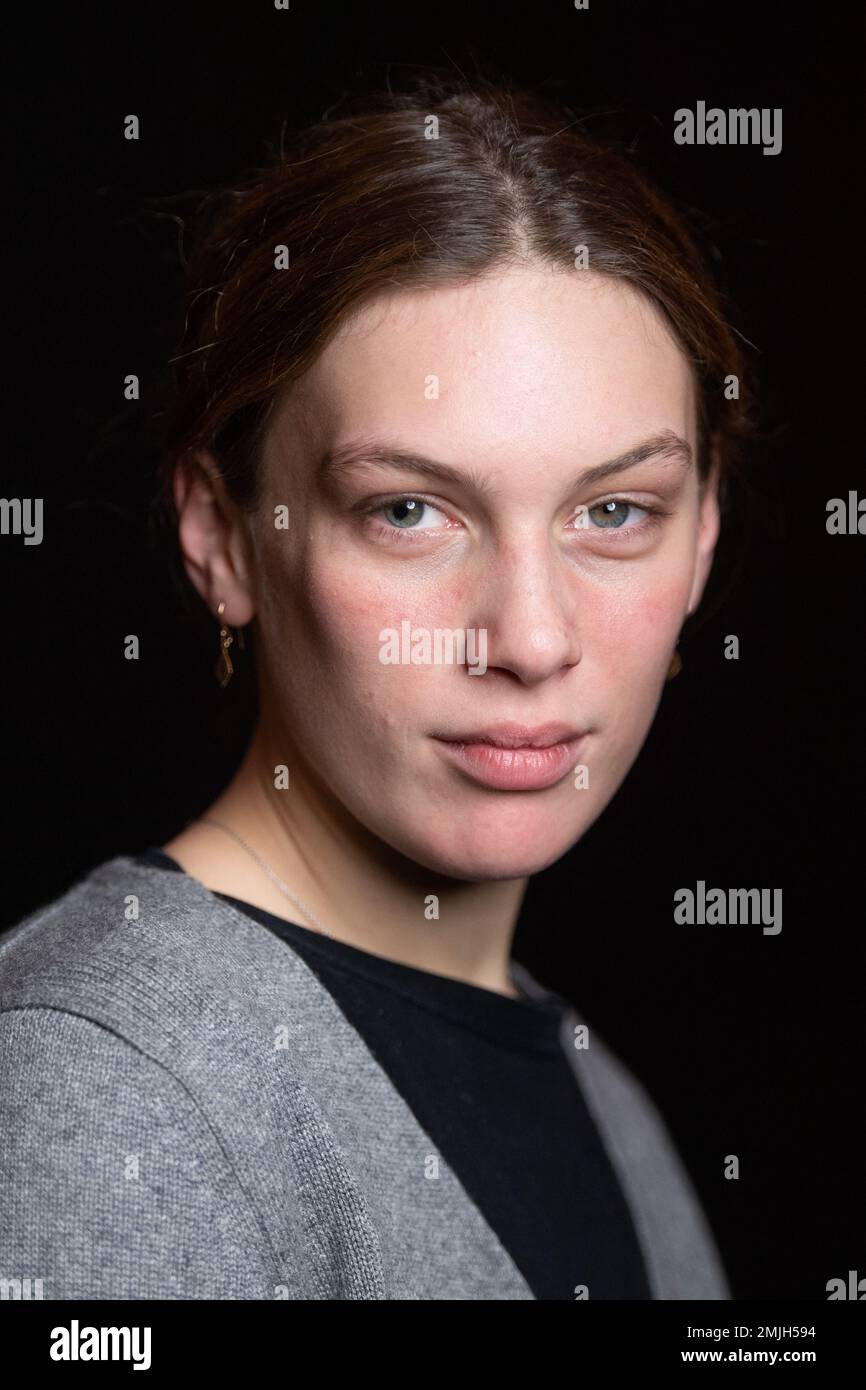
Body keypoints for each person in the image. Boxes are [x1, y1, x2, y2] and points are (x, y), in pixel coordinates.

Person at [0, 73, 749, 1300]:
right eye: (409, 510)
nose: (529, 636)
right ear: (224, 536)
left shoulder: (605, 1107)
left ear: (702, 538)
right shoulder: (97, 1093)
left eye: (614, 511)